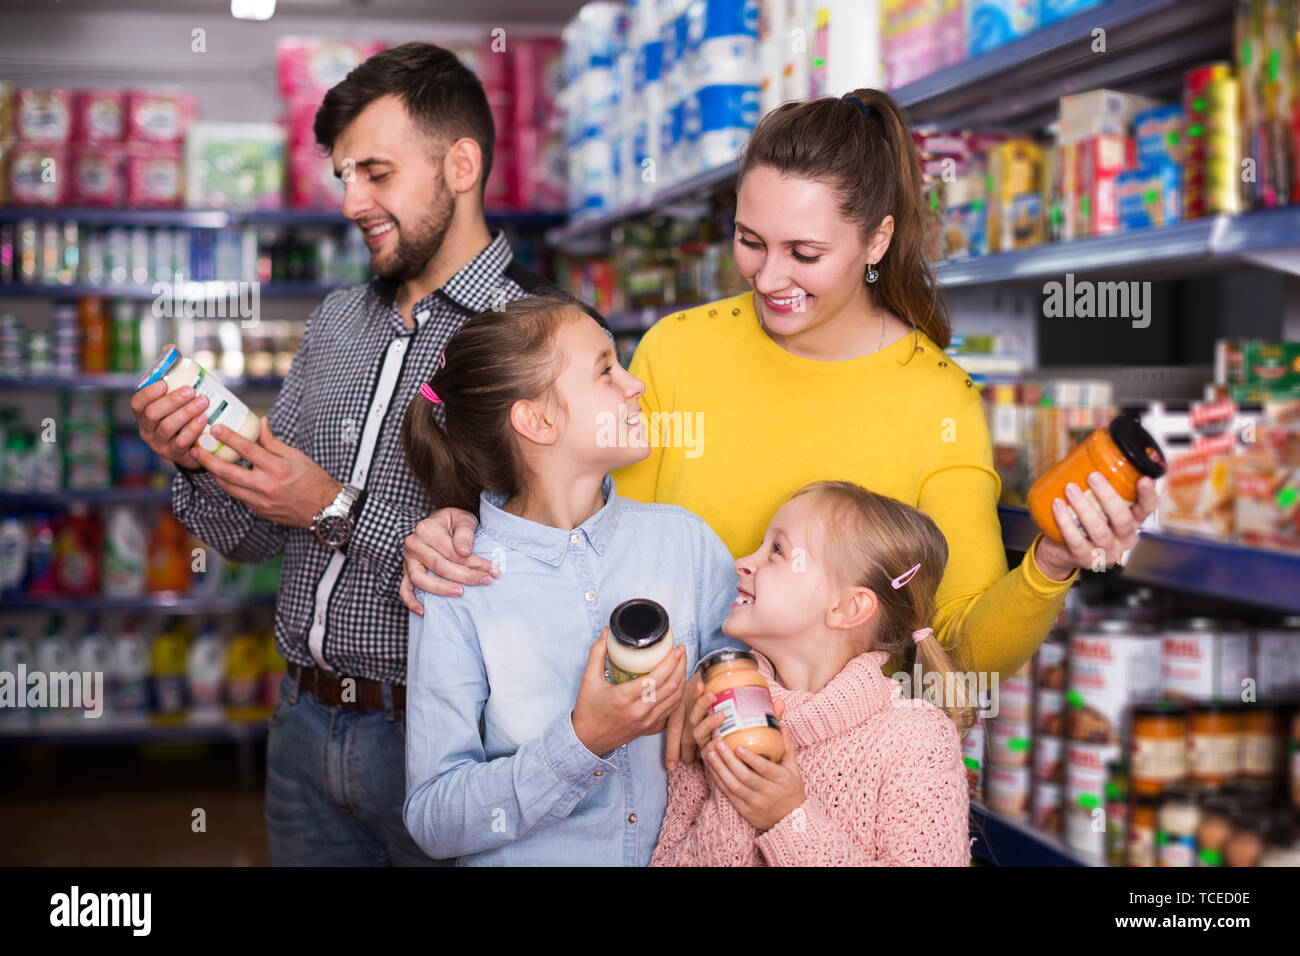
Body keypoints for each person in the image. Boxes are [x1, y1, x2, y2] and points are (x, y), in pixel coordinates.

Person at [398, 89, 1157, 763]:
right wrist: (474, 531)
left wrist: (1051, 565)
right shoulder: (679, 349)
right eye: (750, 241)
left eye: (805, 253)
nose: (768, 278)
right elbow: (590, 538)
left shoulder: (938, 400)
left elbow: (953, 641)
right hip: (665, 765)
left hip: (839, 778)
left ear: (877, 242)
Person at [129, 42, 604, 866]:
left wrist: (334, 508)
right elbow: (257, 536)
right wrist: (201, 463)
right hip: (305, 731)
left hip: (452, 741)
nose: (351, 201)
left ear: (461, 165)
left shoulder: (547, 338)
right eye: (343, 174)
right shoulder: (338, 321)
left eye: (375, 173)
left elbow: (550, 584)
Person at [401, 295, 737, 865]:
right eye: (606, 369)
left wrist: (711, 694)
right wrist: (582, 742)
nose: (635, 386)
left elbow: (750, 682)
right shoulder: (458, 583)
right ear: (537, 419)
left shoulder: (686, 543)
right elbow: (434, 818)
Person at [652, 481, 971, 866]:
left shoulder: (915, 740)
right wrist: (735, 790)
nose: (742, 562)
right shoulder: (711, 711)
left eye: (777, 551)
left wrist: (788, 818)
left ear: (847, 608)